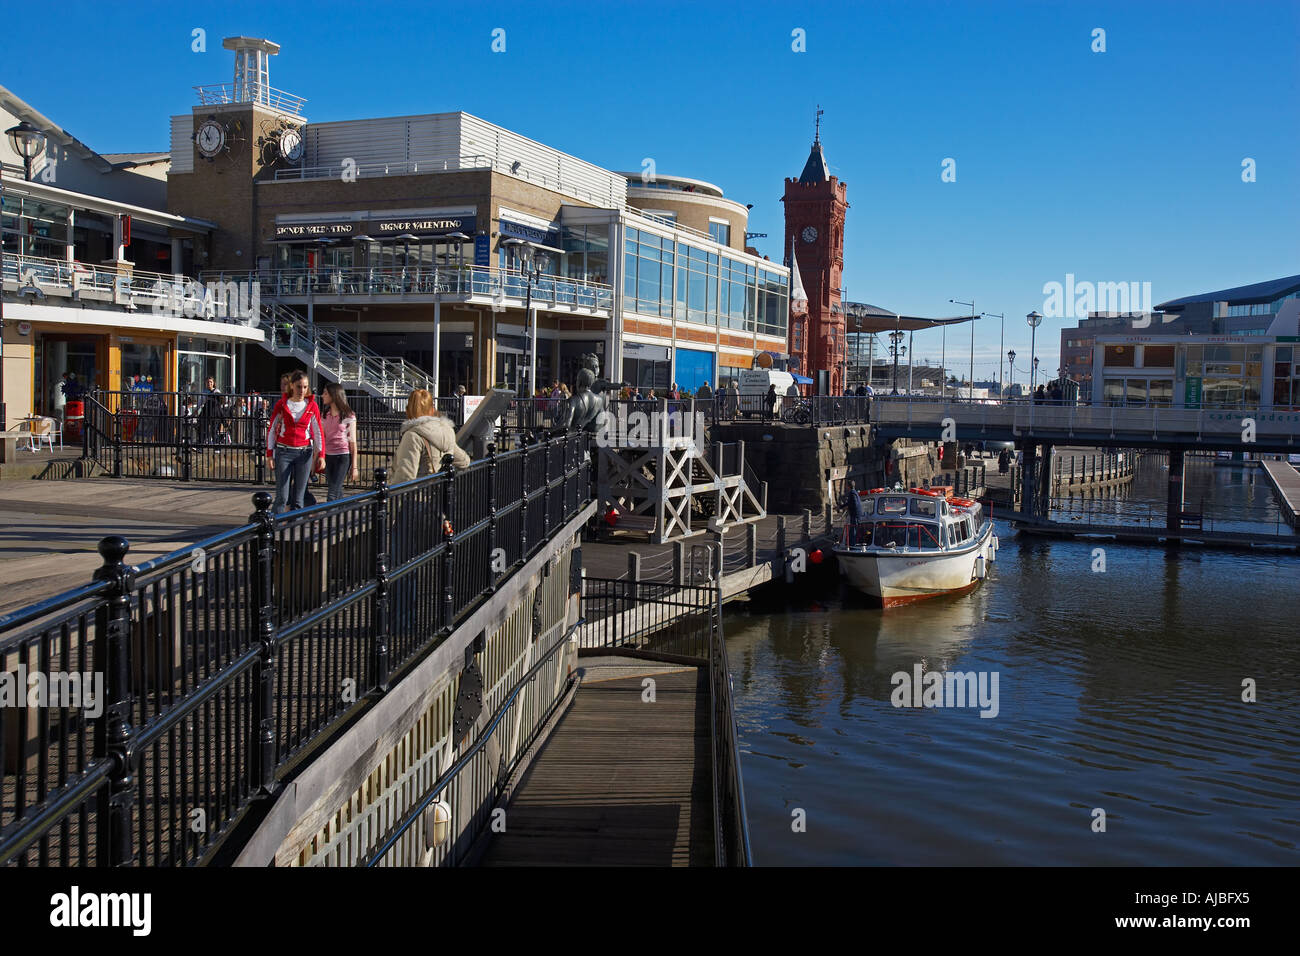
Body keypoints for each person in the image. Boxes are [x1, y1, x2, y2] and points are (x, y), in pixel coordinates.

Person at [266, 370, 324, 514]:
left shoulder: (312, 406)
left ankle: (295, 525)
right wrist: (269, 454)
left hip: (304, 453)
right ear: (291, 386)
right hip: (283, 451)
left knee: (299, 497)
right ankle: (275, 524)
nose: (302, 390)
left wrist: (321, 454)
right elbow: (272, 429)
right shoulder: (282, 404)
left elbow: (318, 431)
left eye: (305, 387)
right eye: (299, 386)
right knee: (282, 496)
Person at [390, 388, 470, 482]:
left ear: (408, 410)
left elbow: (405, 477)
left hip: (419, 493)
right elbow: (464, 461)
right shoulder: (447, 431)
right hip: (441, 491)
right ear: (432, 410)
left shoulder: (413, 436)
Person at [320, 383, 359, 500]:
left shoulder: (349, 416)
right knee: (336, 490)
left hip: (342, 456)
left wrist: (354, 467)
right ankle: (341, 511)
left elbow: (353, 442)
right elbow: (322, 437)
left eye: (325, 393)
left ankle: (329, 516)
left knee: (332, 493)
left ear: (333, 395)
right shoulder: (324, 415)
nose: (322, 396)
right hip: (328, 455)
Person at [840, 480, 869, 545]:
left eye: (846, 485)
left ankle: (852, 545)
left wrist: (847, 507)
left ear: (848, 486)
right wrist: (840, 507)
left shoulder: (852, 493)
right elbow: (850, 503)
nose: (845, 487)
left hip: (855, 515)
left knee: (853, 530)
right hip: (857, 514)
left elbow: (854, 504)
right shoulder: (854, 492)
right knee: (853, 529)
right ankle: (852, 543)